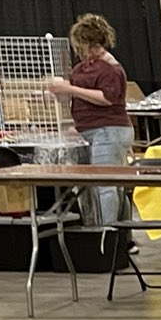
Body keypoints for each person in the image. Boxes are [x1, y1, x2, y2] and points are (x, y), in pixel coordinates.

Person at [44, 13, 131, 227]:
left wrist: (70, 89)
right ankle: (115, 232)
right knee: (106, 185)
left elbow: (106, 98)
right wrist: (56, 91)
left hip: (109, 131)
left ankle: (109, 232)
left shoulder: (111, 68)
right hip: (94, 131)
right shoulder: (84, 67)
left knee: (107, 185)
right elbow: (79, 93)